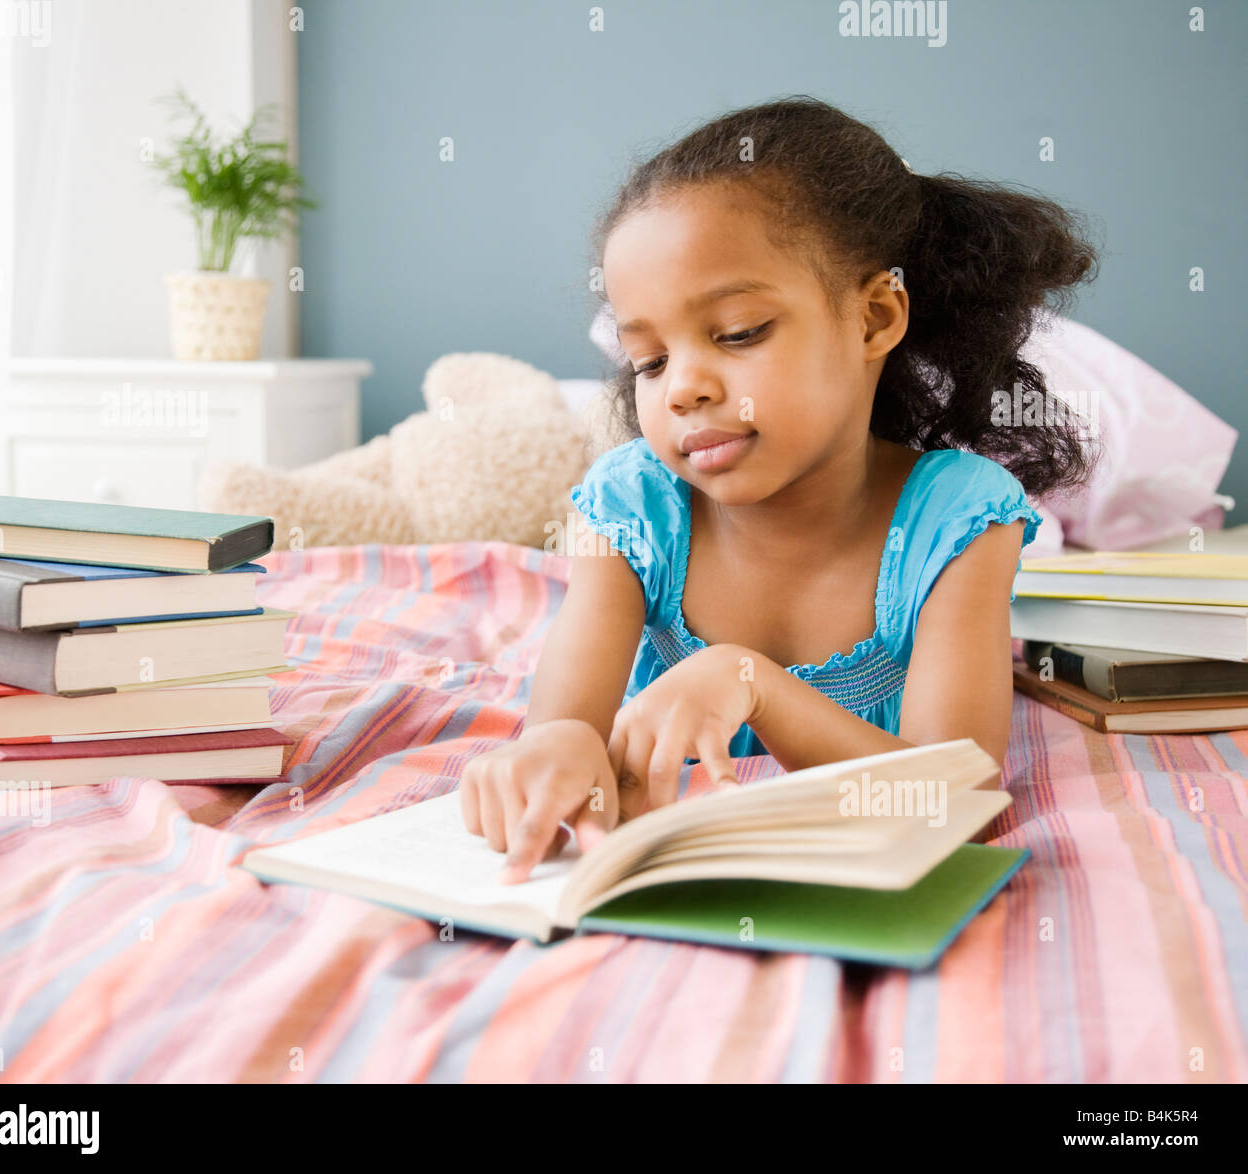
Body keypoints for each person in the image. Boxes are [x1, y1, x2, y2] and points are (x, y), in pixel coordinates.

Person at [460, 96, 1100, 883]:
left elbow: (955, 799)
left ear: (872, 318)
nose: (683, 389)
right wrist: (555, 749)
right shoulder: (632, 508)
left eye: (737, 334)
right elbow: (561, 727)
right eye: (651, 360)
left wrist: (751, 682)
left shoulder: (958, 520)